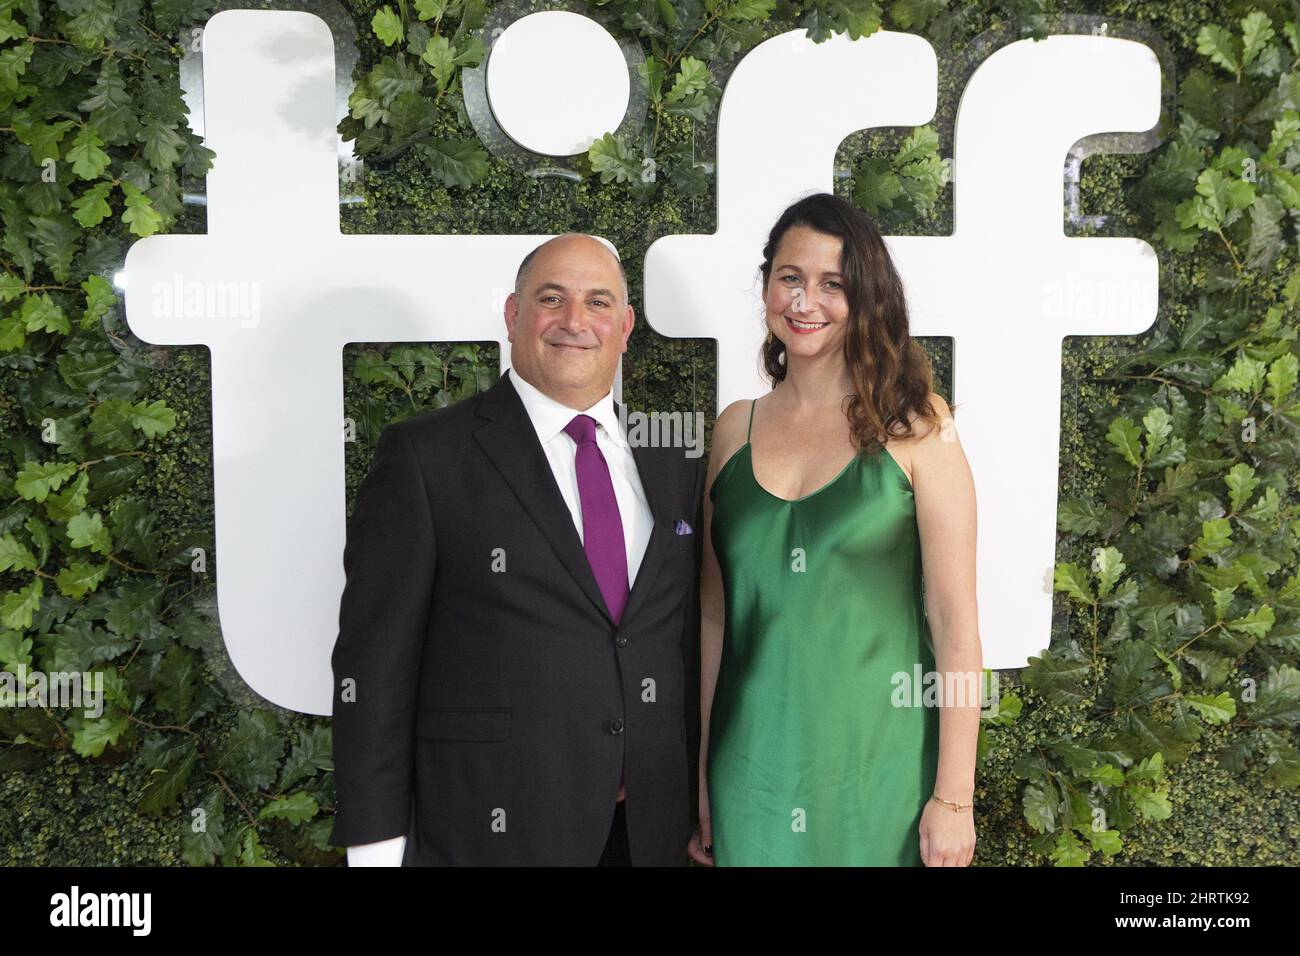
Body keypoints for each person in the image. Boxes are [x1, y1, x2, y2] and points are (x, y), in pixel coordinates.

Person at [329, 234, 705, 865]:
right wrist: (375, 845)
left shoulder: (676, 459)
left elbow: (680, 642)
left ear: (626, 326)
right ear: (512, 314)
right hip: (490, 832)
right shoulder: (426, 458)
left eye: (598, 302)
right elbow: (374, 666)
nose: (575, 322)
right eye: (551, 298)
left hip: (652, 835)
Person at [689, 192, 982, 866]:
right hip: (751, 774)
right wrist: (706, 774)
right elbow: (714, 618)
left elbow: (955, 623)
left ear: (868, 297)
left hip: (879, 775)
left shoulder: (919, 428)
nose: (804, 301)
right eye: (790, 278)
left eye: (832, 285)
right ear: (766, 285)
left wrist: (954, 797)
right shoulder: (734, 429)